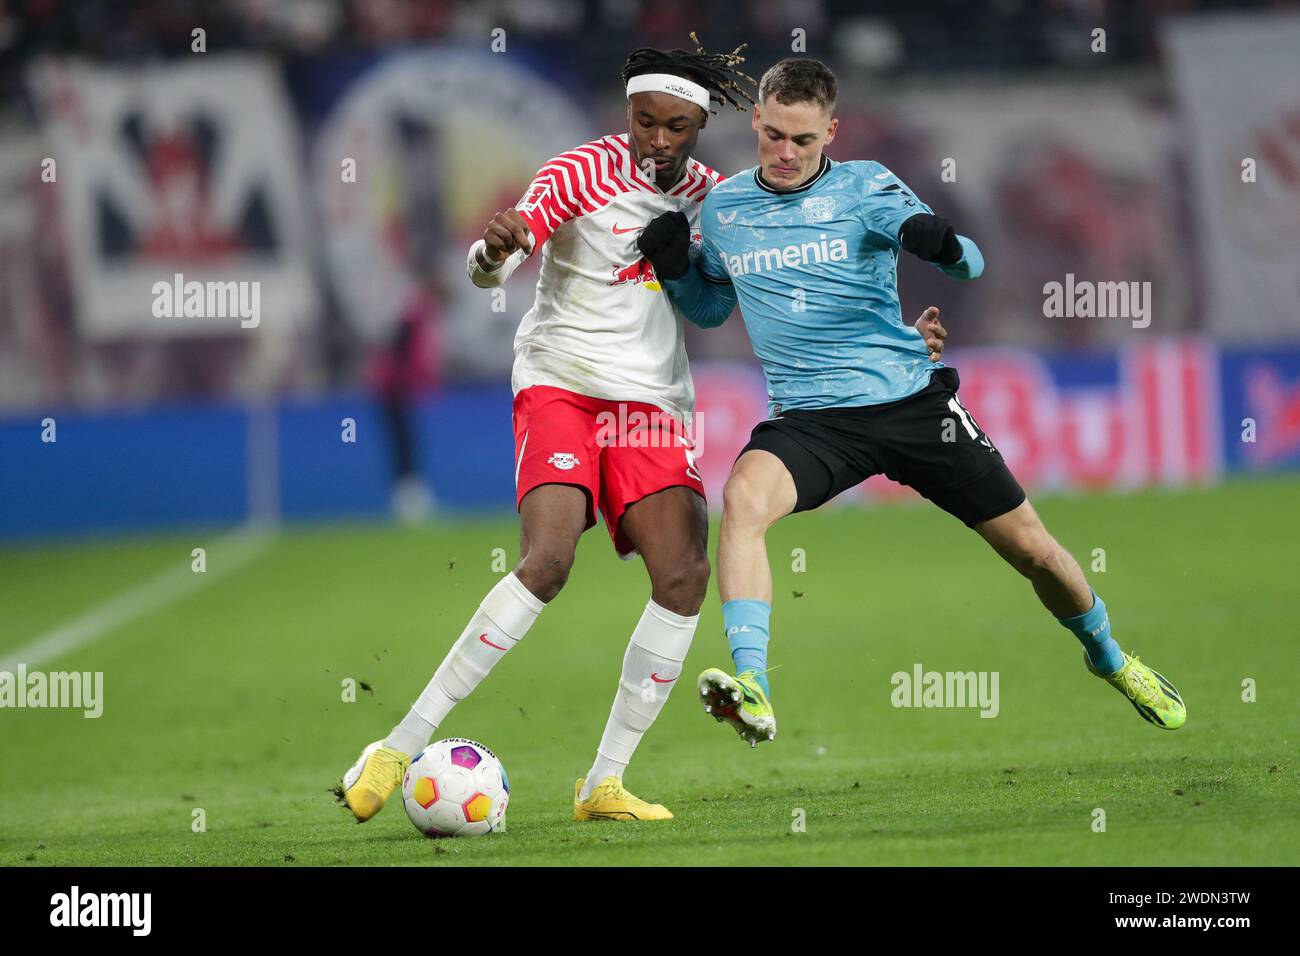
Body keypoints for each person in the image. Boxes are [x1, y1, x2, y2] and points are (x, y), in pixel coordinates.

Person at [639, 57, 1185, 747]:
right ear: (755, 119)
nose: (784, 152)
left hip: (908, 405)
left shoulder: (868, 187)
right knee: (743, 504)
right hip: (812, 423)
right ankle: (755, 686)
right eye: (773, 134)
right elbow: (712, 309)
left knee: (1036, 554)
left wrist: (944, 246)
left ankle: (1110, 658)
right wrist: (677, 268)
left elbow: (972, 263)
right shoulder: (724, 209)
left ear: (830, 132)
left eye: (802, 141)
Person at [337, 37, 758, 824]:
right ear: (627, 112)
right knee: (550, 559)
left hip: (650, 403)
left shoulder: (716, 197)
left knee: (683, 575)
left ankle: (603, 783)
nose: (658, 139)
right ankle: (397, 745)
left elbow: (713, 307)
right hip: (561, 382)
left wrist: (684, 268)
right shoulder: (577, 171)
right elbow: (504, 253)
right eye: (644, 120)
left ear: (699, 123)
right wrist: (490, 255)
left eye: (675, 125)